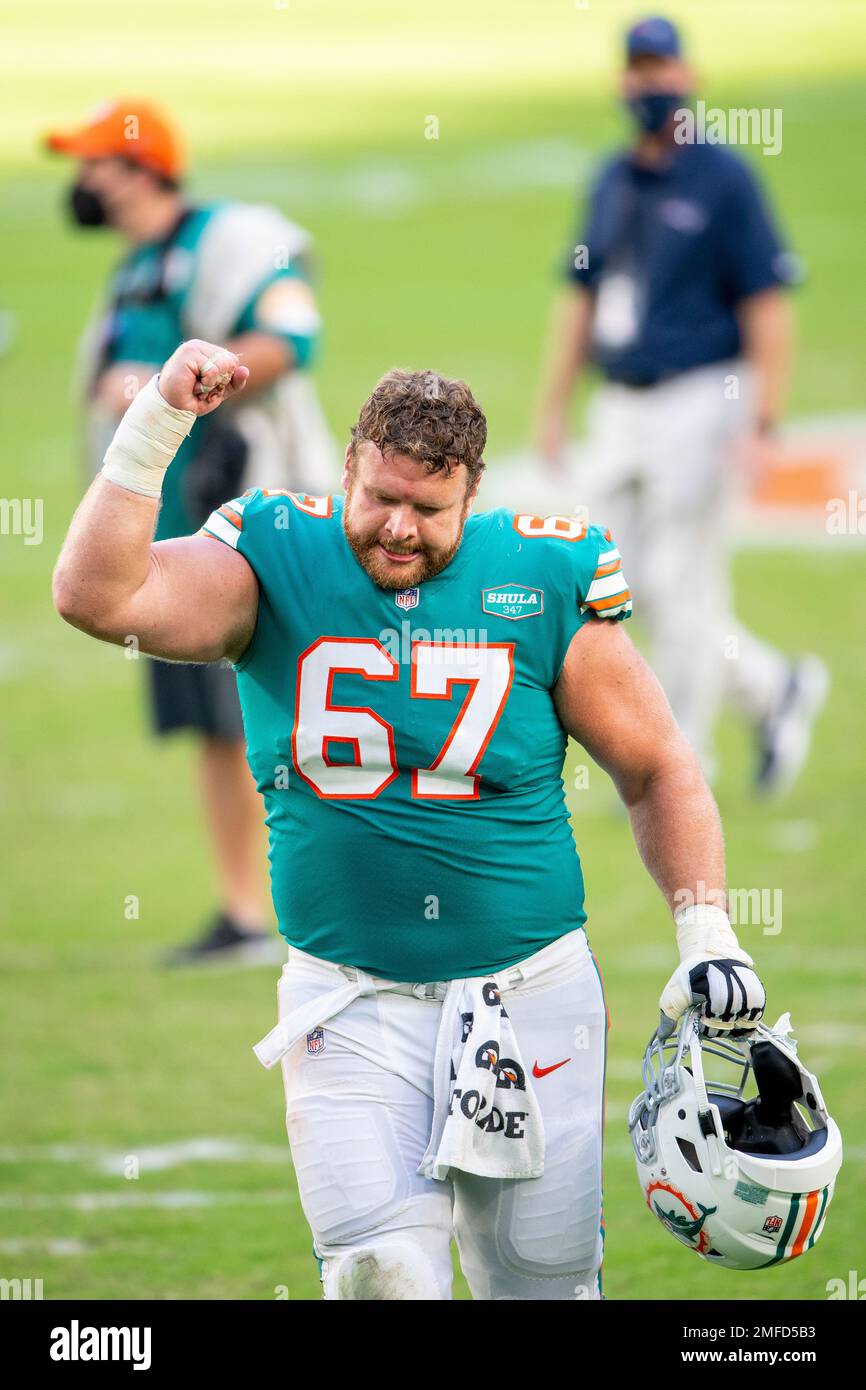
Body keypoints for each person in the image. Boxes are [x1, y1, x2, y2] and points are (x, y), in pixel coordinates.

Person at [53, 337, 767, 1300]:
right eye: (378, 497)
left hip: (531, 996)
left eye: (427, 510)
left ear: (473, 494)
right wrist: (155, 426)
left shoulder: (542, 575)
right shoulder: (274, 552)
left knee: (543, 1285)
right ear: (345, 467)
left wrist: (707, 928)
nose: (396, 529)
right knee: (379, 1277)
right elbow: (97, 595)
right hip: (346, 1003)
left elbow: (655, 768)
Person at [45, 100, 335, 965]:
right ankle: (241, 911)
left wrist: (191, 381)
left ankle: (311, 909)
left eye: (92, 162)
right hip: (162, 531)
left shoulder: (234, 237)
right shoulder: (133, 269)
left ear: (138, 170)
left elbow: (293, 337)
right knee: (212, 726)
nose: (81, 181)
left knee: (290, 715)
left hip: (249, 512)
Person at [535, 15, 827, 792]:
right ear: (620, 80)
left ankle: (681, 763)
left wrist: (763, 420)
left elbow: (768, 301)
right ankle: (772, 686)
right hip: (621, 403)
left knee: (686, 582)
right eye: (637, 68)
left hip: (701, 397)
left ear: (688, 76)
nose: (649, 83)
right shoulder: (611, 178)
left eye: (661, 68)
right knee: (611, 581)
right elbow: (580, 294)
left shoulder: (724, 179)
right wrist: (554, 404)